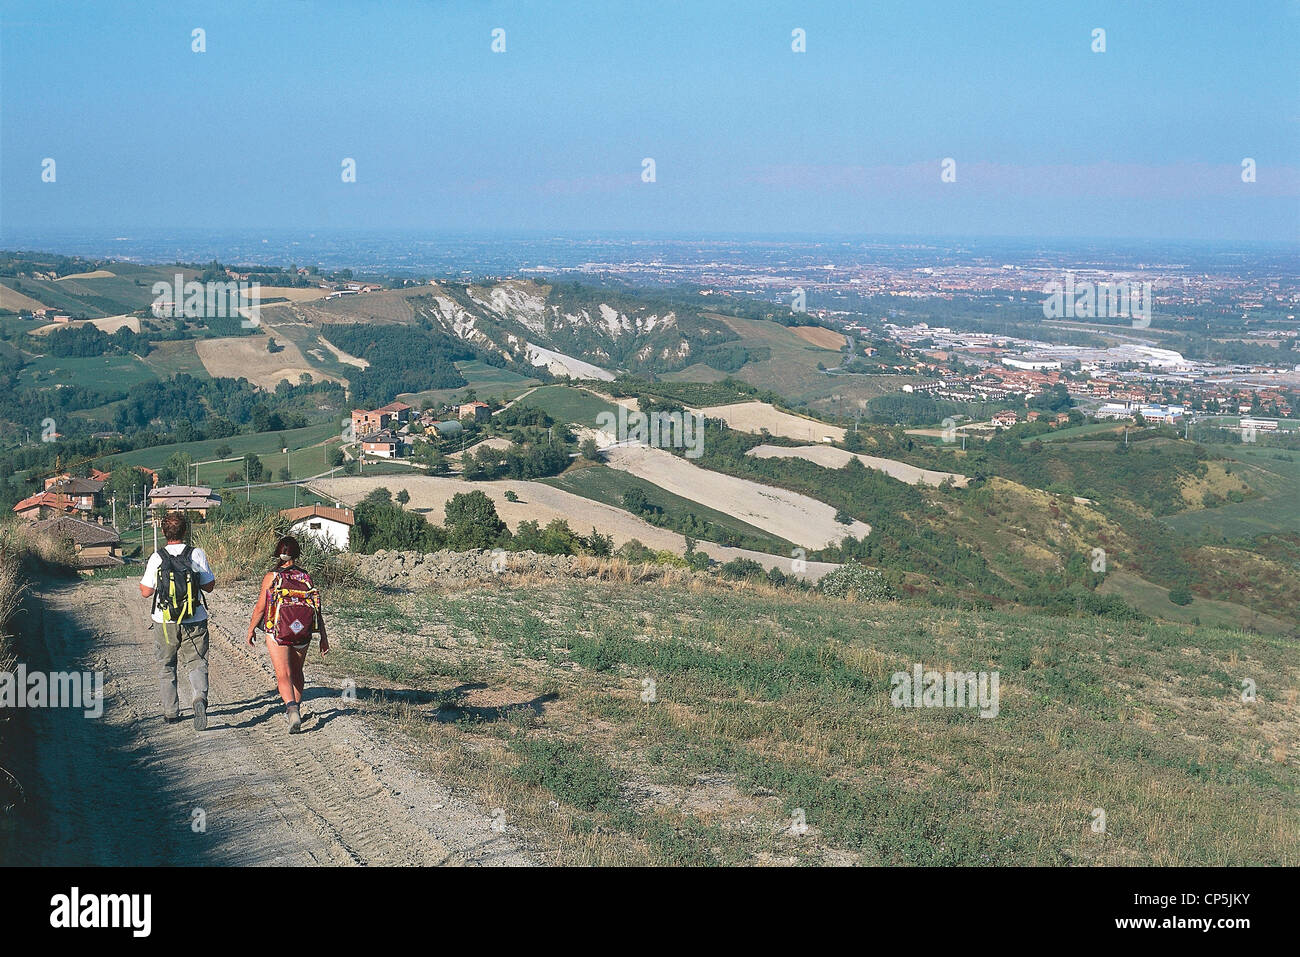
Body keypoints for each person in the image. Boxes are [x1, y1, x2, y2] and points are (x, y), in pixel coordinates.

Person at [139, 511, 216, 730]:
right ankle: (199, 699)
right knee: (197, 661)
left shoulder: (157, 557)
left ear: (163, 532)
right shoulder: (197, 554)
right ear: (186, 531)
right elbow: (209, 586)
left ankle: (171, 712)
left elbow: (146, 592)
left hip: (164, 620)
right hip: (195, 618)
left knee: (166, 664)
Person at [246, 536, 328, 733]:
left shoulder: (272, 576)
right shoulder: (306, 577)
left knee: (283, 673)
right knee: (297, 671)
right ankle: (297, 707)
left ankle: (291, 711)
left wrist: (251, 629)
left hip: (277, 631)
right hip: (303, 632)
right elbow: (317, 609)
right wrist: (323, 637)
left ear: (277, 553)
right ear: (297, 554)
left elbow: (260, 608)